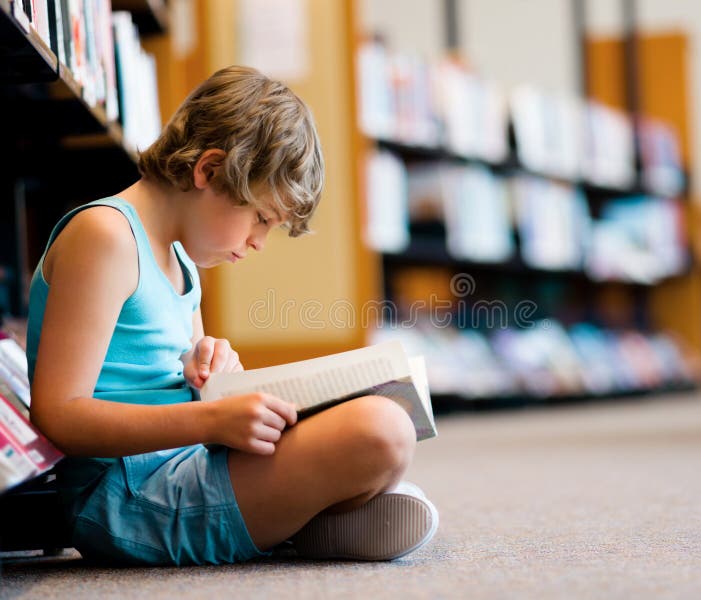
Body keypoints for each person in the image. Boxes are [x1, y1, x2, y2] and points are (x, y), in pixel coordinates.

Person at [26, 65, 438, 566]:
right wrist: (210, 420)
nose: (259, 242)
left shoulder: (180, 261)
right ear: (209, 170)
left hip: (184, 462)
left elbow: (172, 377)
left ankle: (305, 520)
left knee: (384, 423)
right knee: (381, 431)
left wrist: (207, 370)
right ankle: (308, 522)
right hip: (123, 495)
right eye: (261, 218)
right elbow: (59, 415)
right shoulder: (105, 237)